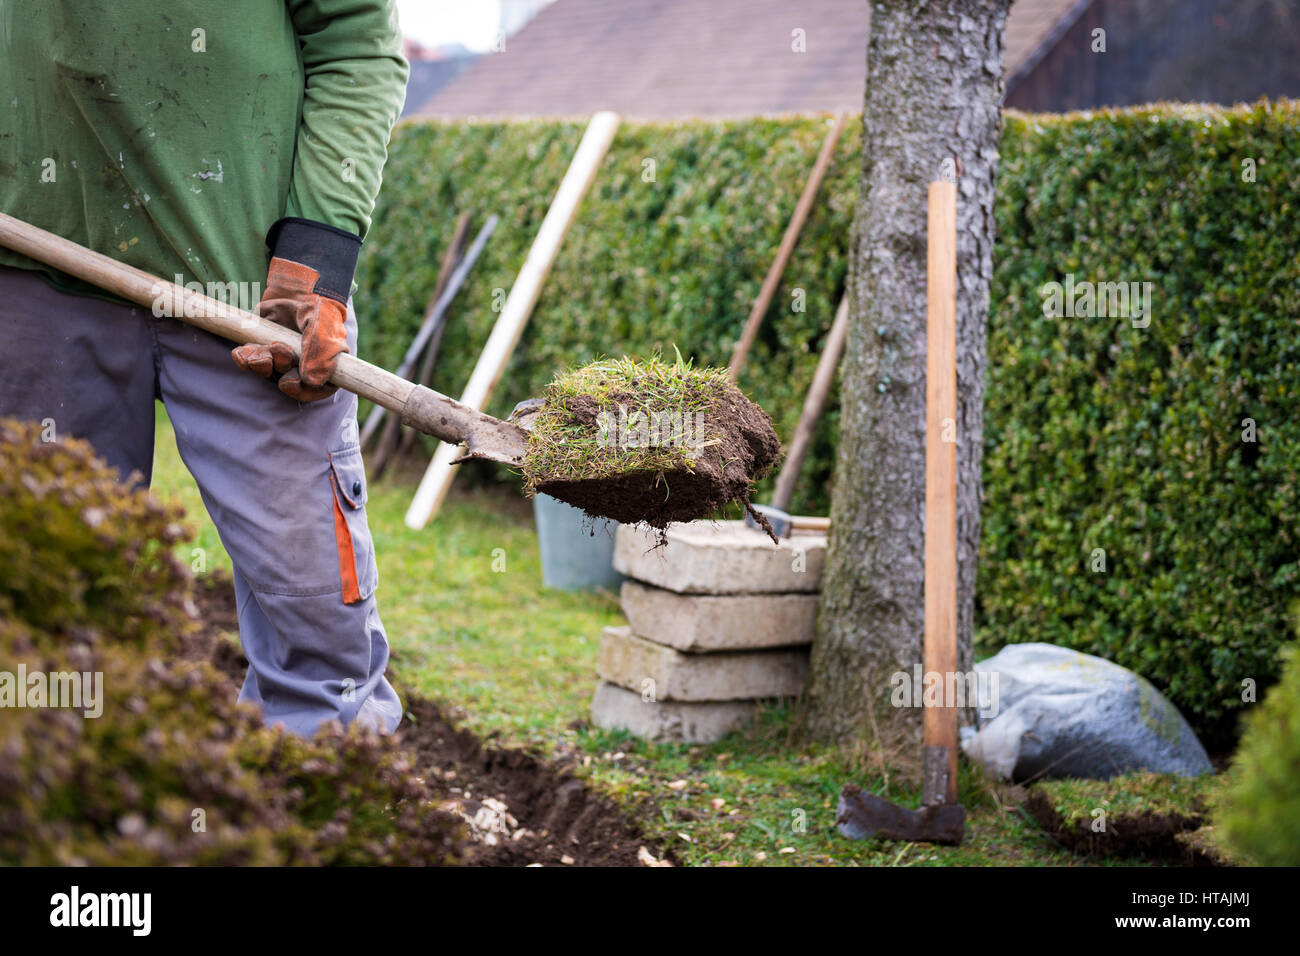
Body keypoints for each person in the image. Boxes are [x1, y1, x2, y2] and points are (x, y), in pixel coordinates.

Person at [0, 1, 410, 736]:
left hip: (258, 304)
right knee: (42, 616)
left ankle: (320, 803)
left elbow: (356, 39)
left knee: (316, 623)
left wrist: (317, 253)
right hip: (30, 274)